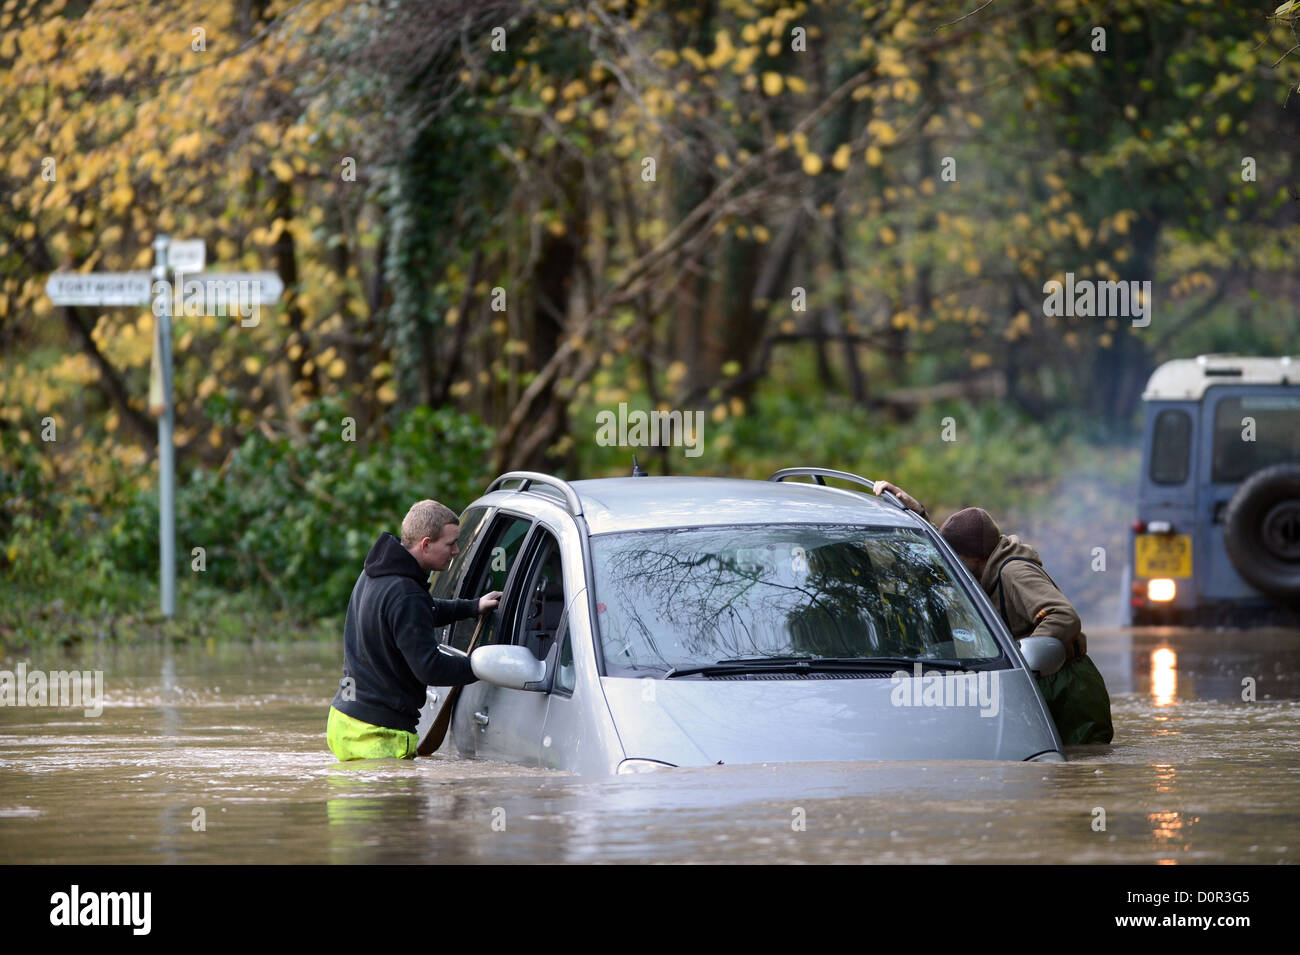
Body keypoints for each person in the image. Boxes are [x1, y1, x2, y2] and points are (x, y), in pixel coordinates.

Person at [874, 481, 1114, 745]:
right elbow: (946, 559)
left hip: (1067, 688)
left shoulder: (1014, 573)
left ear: (977, 558)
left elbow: (1063, 616)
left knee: (1078, 769)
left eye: (958, 558)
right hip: (1035, 685)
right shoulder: (982, 565)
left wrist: (1023, 660)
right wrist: (919, 513)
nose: (953, 566)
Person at [327, 499, 502, 760]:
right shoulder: (406, 594)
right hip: (378, 737)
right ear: (426, 544)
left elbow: (421, 612)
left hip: (344, 721)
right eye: (450, 544)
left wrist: (472, 606)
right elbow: (429, 668)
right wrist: (481, 668)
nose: (456, 551)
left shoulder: (377, 573)